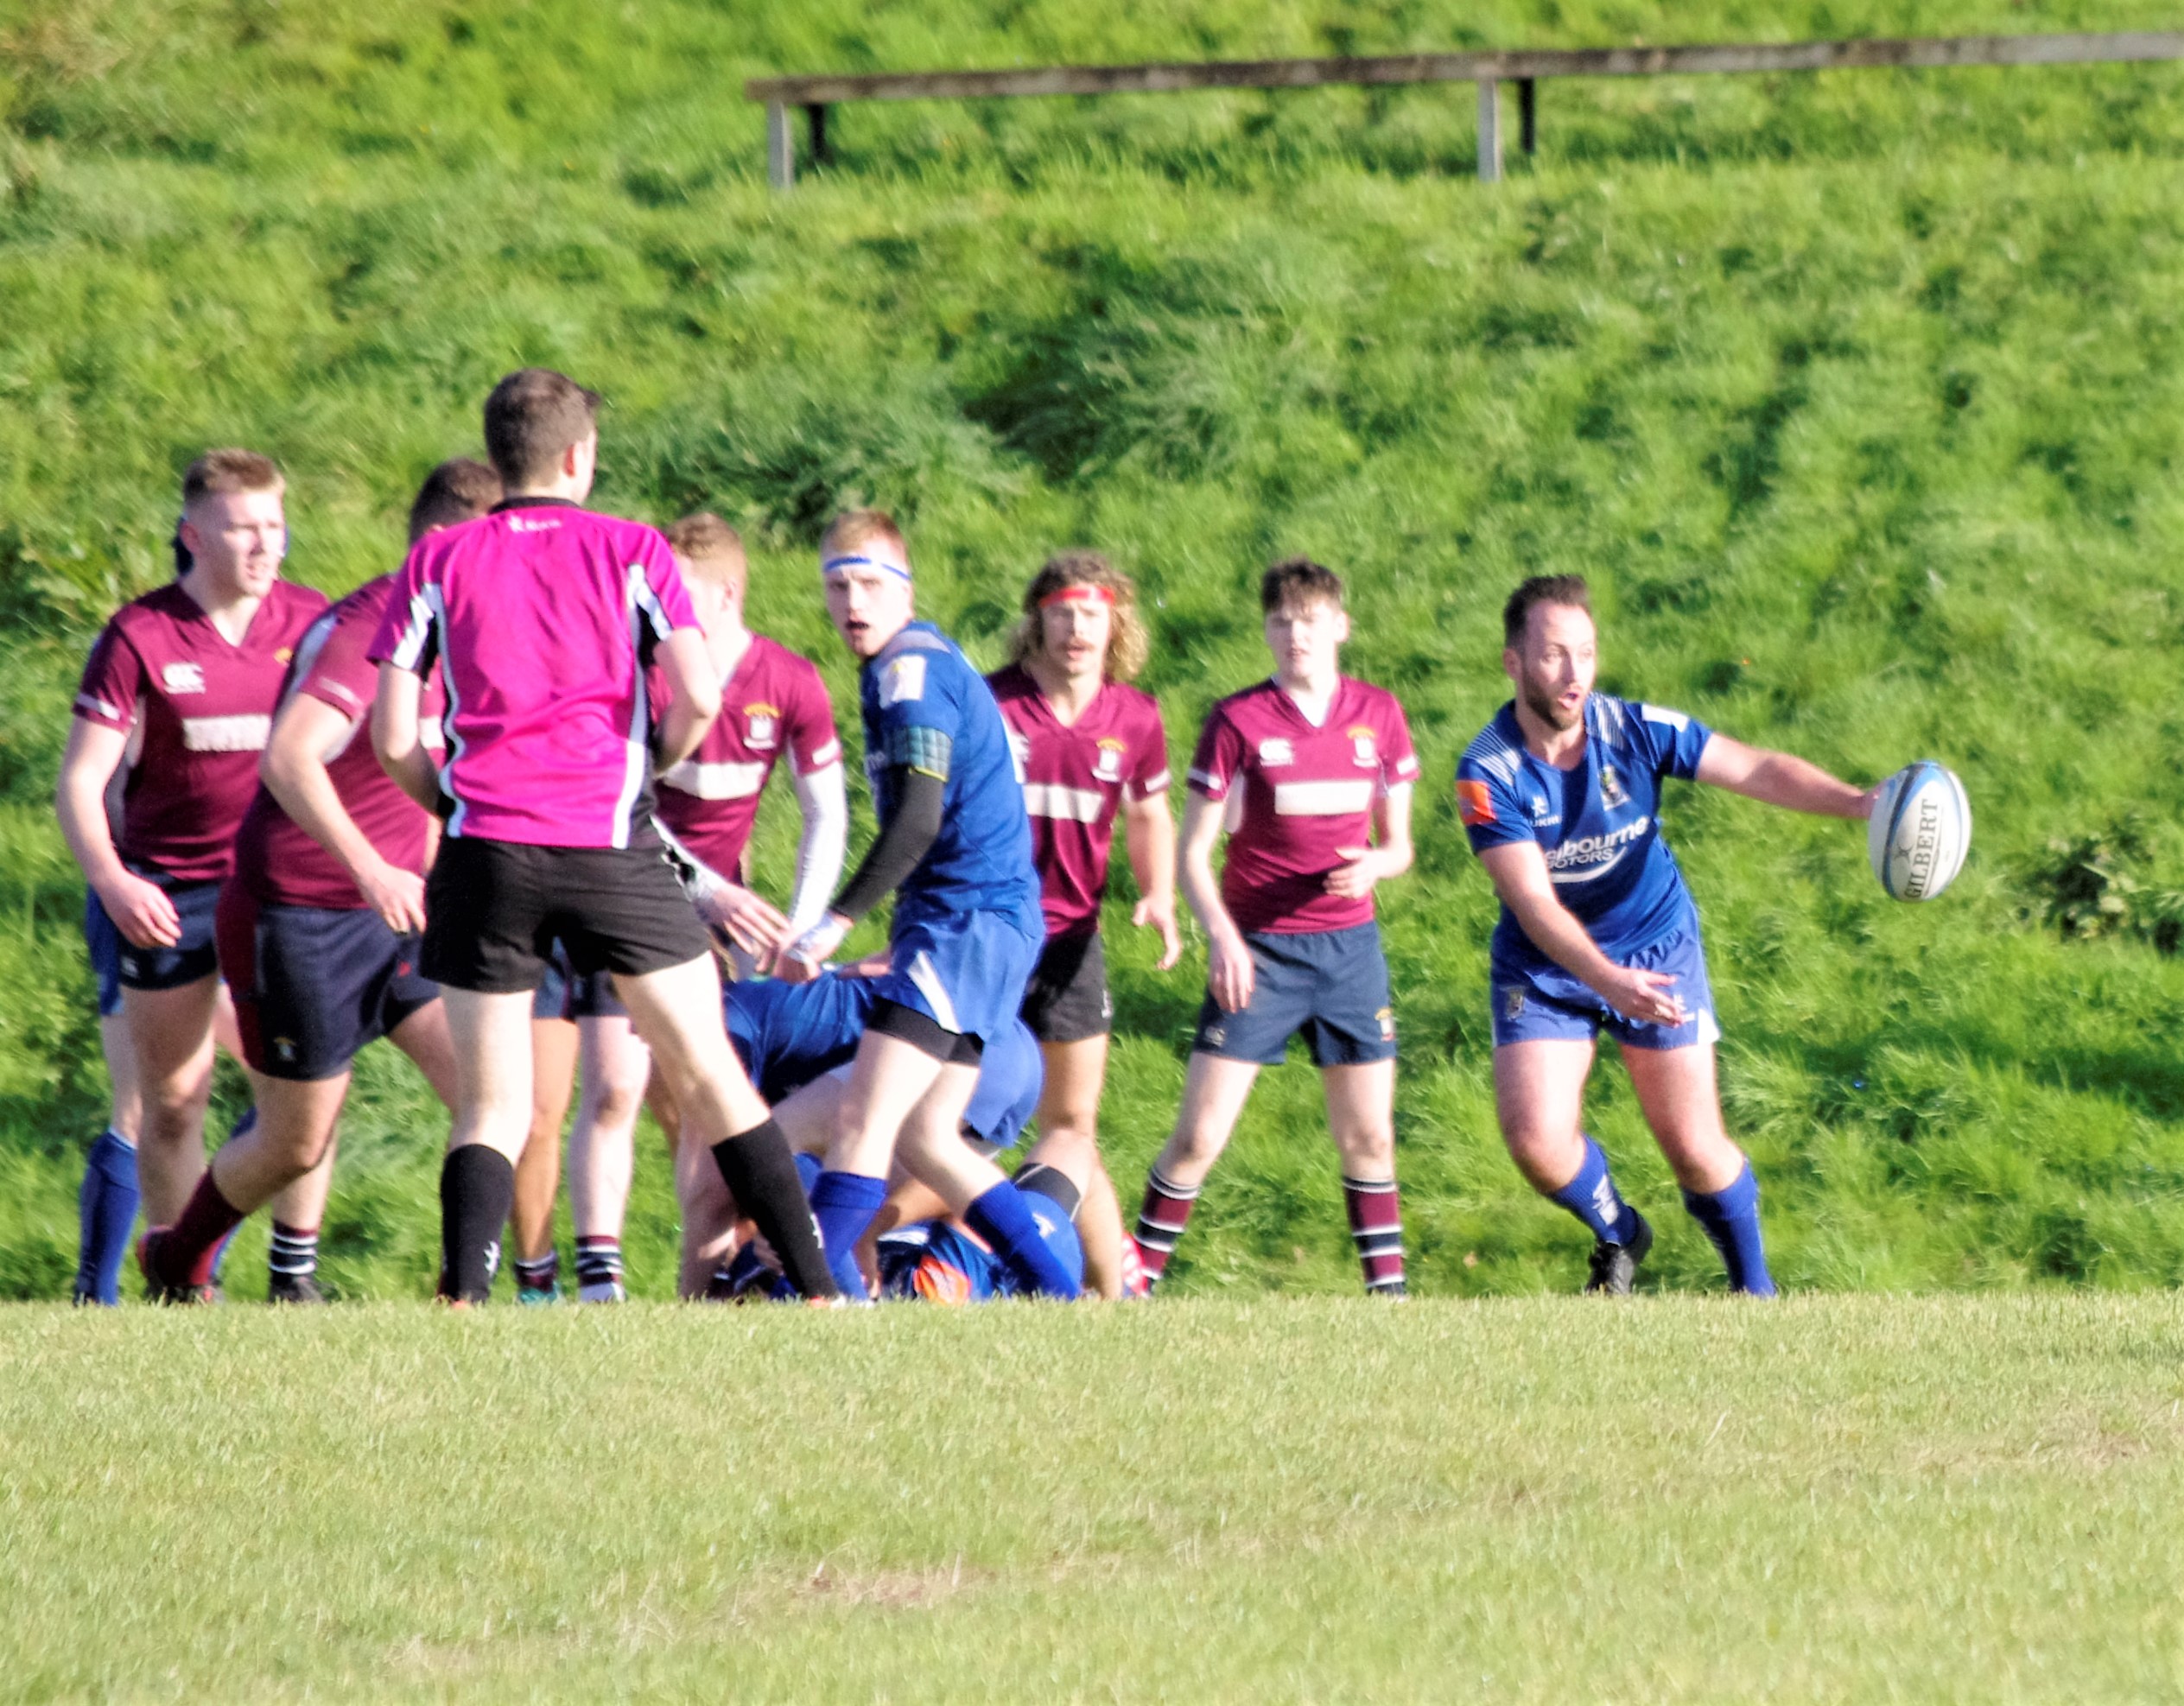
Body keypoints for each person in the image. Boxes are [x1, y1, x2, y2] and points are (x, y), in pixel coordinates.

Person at [367, 368, 833, 1303]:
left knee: (493, 1103)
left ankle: (462, 1299)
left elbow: (389, 736)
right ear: (580, 457)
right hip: (606, 842)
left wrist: (452, 806)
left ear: (499, 459)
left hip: (485, 850)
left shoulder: (438, 560)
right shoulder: (631, 549)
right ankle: (821, 1288)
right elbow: (699, 692)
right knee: (708, 1075)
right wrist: (646, 768)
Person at [136, 461, 498, 1301]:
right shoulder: (372, 628)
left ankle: (461, 1296)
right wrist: (371, 868)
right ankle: (176, 1255)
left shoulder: (468, 627)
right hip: (299, 917)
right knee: (296, 1142)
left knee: (491, 1095)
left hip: (408, 913)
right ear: (444, 546)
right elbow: (291, 756)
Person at [1456, 575, 1874, 1296]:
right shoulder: (1486, 771)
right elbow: (1533, 902)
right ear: (1513, 663)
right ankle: (1621, 1231)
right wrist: (1606, 980)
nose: (1574, 672)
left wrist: (1860, 803)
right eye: (1553, 654)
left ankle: (1756, 1292)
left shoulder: (1634, 729)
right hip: (1546, 964)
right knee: (1537, 1143)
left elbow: (1755, 767)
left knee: (1696, 1150)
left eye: (1585, 653)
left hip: (1655, 944)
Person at [778, 509, 1077, 1301]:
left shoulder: (908, 672)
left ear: (905, 588)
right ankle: (1061, 1293)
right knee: (926, 1136)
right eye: (837, 585)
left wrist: (833, 922)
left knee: (860, 1123)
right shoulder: (910, 664)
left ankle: (801, 1296)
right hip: (986, 926)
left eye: (871, 583)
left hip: (964, 926)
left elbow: (918, 818)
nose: (853, 602)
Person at [56, 450, 333, 1301]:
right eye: (241, 526)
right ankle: (181, 1287)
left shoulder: (315, 621)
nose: (262, 544)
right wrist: (113, 880)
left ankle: (294, 1277)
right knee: (172, 1102)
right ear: (193, 534)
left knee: (300, 1096)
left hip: (283, 894)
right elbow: (79, 780)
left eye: (274, 525)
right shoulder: (141, 634)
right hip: (170, 895)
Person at [1130, 558, 1419, 1297]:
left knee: (1370, 1137)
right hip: (1258, 952)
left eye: (1312, 620)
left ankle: (1391, 1301)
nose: (1297, 635)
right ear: (1266, 630)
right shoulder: (1237, 720)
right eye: (1282, 622)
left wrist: (1376, 867)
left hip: (1350, 951)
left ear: (1341, 626)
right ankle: (1132, 1287)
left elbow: (1401, 845)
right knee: (1198, 1138)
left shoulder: (1378, 714)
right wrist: (1223, 937)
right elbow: (1195, 852)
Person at [987, 551, 1177, 1298]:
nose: (1075, 628)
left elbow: (1148, 812)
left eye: (1091, 614)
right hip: (989, 935)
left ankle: (1113, 1289)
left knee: (1072, 1125)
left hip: (1073, 944)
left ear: (1114, 626)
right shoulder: (993, 704)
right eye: (1061, 612)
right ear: (1035, 622)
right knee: (960, 1117)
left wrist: (1158, 892)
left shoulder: (1134, 716)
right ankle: (1015, 1255)